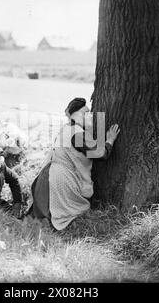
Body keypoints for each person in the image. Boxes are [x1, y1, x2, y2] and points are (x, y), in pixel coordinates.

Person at [30, 97, 120, 230]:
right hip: (62, 177)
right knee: (76, 210)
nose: (89, 115)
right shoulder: (77, 134)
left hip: (53, 172)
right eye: (85, 113)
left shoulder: (68, 128)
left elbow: (87, 148)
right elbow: (100, 154)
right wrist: (110, 140)